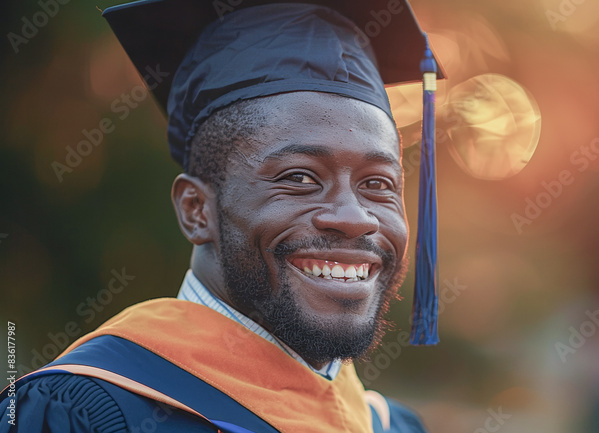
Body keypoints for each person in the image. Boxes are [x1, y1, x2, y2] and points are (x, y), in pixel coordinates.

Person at [2, 0, 443, 431]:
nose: (354, 217)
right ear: (197, 210)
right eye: (300, 178)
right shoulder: (84, 412)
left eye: (378, 183)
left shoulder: (393, 425)